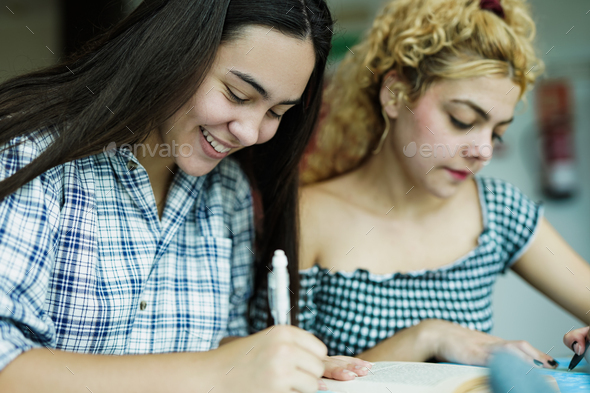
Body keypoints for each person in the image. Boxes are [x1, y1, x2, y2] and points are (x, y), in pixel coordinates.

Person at [0, 1, 371, 392]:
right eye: (238, 94)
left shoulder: (228, 192)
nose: (249, 132)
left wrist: (279, 365)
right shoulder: (30, 156)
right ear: (173, 50)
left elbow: (214, 346)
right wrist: (214, 373)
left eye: (276, 112)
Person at [251, 0, 590, 369]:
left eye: (498, 134)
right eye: (462, 119)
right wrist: (428, 337)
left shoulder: (497, 210)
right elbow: (271, 376)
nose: (483, 151)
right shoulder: (307, 216)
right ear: (395, 96)